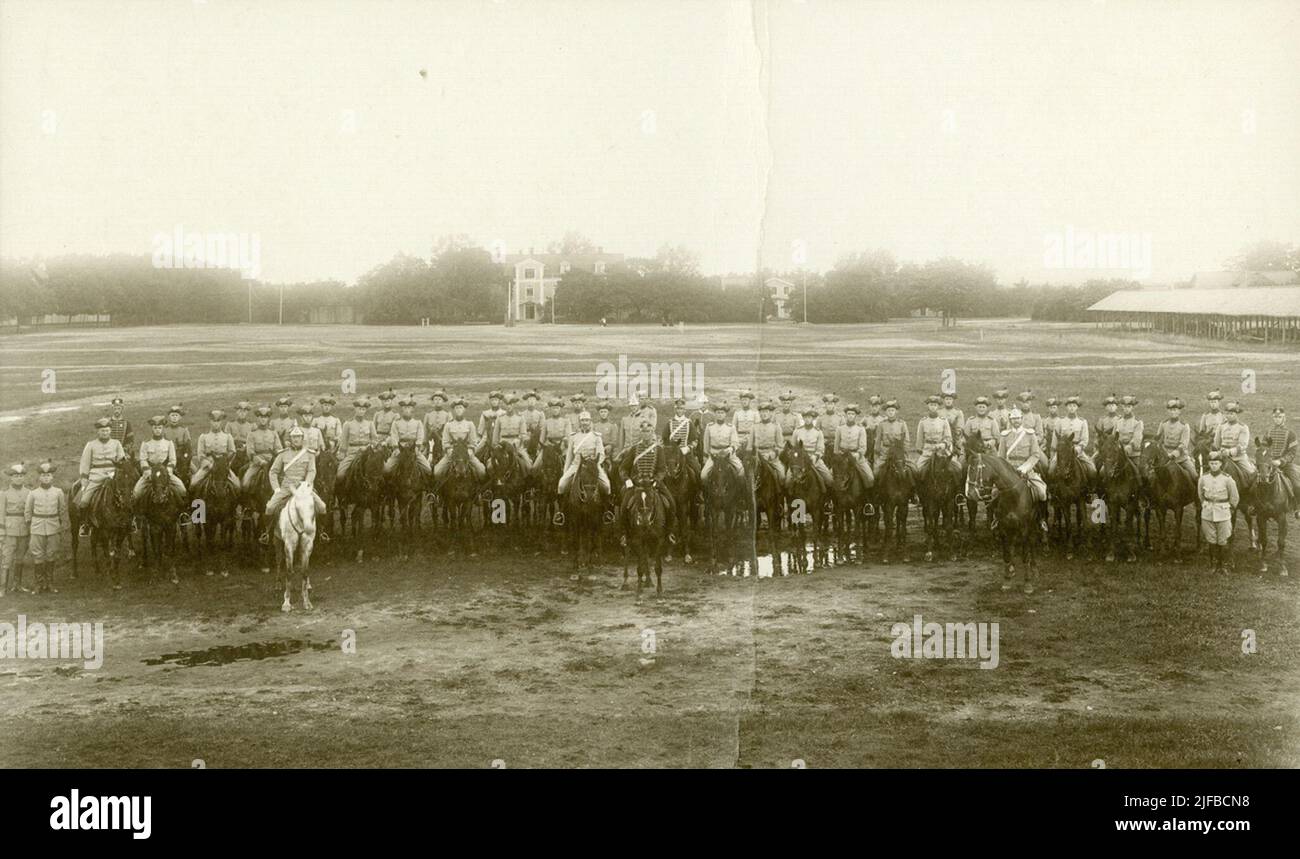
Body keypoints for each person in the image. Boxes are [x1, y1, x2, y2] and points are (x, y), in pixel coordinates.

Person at [264, 427, 327, 530]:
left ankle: (321, 532)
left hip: (304, 488)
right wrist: (276, 488)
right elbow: (273, 472)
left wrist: (306, 483)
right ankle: (266, 533)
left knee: (322, 507)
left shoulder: (310, 454)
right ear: (290, 439)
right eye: (293, 437)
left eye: (298, 437)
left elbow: (312, 471)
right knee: (270, 507)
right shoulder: (283, 454)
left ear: (302, 438)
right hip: (286, 487)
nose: (296, 439)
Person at [25, 462, 66, 594]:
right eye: (43, 475)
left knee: (51, 554)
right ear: (39, 478)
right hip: (37, 526)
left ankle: (50, 583)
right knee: (38, 555)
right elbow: (28, 511)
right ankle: (38, 584)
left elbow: (62, 510)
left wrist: (62, 526)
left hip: (53, 526)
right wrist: (30, 526)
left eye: (48, 475)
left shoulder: (58, 492)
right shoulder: (33, 493)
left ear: (52, 477)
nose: (46, 478)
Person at [1198, 451, 1239, 574]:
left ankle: (1223, 565)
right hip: (1208, 512)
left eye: (1216, 463)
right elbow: (1200, 494)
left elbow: (1235, 497)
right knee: (1211, 539)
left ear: (1220, 464)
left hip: (1223, 513)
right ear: (1208, 464)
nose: (1214, 465)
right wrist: (1206, 505)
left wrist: (1229, 509)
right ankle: (1213, 564)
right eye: (1211, 463)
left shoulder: (1228, 479)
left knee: (1223, 539)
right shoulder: (1203, 478)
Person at [999, 408, 1048, 508]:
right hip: (1009, 470)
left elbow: (1035, 455)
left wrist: (1025, 468)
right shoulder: (1004, 436)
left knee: (1041, 492)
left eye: (1018, 418)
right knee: (995, 493)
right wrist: (1006, 470)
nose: (1016, 421)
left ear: (1021, 419)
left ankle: (1041, 519)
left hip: (1027, 470)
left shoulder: (1030, 434)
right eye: (1013, 419)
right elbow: (1001, 457)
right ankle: (996, 519)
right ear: (1010, 420)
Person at [75, 417, 127, 511]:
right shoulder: (91, 445)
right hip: (96, 477)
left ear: (110, 431)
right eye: (102, 431)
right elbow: (85, 463)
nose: (105, 433)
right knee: (84, 500)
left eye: (107, 430)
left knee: (127, 497)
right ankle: (84, 524)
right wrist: (84, 478)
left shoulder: (116, 443)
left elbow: (122, 462)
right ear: (98, 432)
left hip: (113, 476)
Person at [134, 416, 188, 501]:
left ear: (163, 428)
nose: (157, 430)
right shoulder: (146, 443)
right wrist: (147, 471)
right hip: (150, 472)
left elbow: (172, 459)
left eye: (160, 428)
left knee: (182, 489)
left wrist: (169, 470)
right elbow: (143, 459)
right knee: (136, 492)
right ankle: (136, 513)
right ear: (152, 429)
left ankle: (183, 512)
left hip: (165, 472)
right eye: (155, 428)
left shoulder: (168, 442)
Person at [558, 412, 610, 498]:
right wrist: (565, 471)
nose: (584, 423)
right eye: (582, 420)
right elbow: (569, 456)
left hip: (593, 466)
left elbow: (601, 454)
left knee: (607, 486)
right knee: (561, 485)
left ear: (590, 422)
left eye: (587, 420)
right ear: (579, 422)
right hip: (576, 465)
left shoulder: (596, 436)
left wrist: (594, 462)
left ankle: (607, 510)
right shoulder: (573, 436)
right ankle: (561, 510)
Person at [435, 398, 486, 481]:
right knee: (437, 472)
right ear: (454, 410)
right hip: (452, 454)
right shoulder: (448, 425)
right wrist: (449, 451)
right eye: (456, 408)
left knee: (482, 471)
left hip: (467, 454)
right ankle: (438, 493)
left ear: (464, 409)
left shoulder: (470, 424)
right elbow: (445, 442)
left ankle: (480, 492)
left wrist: (470, 451)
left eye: (460, 408)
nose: (458, 410)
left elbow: (473, 442)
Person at [1261, 406, 1300, 514]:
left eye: (1280, 417)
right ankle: (1255, 504)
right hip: (1269, 463)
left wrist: (1281, 461)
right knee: (1256, 479)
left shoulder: (1291, 434)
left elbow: (1292, 452)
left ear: (1284, 418)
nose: (1277, 419)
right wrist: (1267, 459)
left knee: (1297, 484)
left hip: (1285, 464)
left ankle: (1297, 507)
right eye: (1275, 417)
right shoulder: (1268, 433)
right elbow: (1263, 449)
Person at [190, 409, 240, 491]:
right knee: (193, 483)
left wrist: (226, 464)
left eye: (218, 421)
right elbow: (200, 454)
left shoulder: (227, 436)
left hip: (223, 466)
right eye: (214, 421)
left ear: (221, 422)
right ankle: (195, 503)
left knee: (237, 485)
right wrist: (209, 465)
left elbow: (232, 452)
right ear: (210, 421)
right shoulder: (203, 436)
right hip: (208, 465)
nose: (216, 424)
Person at [1, 464, 31, 596]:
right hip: (9, 529)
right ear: (10, 478)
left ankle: (17, 585)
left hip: (24, 530)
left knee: (20, 558)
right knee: (7, 558)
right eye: (15, 476)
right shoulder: (4, 494)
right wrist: (1, 531)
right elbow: (1, 514)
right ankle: (2, 587)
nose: (18, 479)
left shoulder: (29, 493)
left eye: (20, 476)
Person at [385, 397, 431, 475]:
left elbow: (420, 436)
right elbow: (394, 436)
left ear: (412, 409)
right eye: (405, 408)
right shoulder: (396, 423)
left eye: (409, 407)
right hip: (400, 450)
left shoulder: (418, 423)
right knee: (387, 469)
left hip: (414, 450)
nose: (407, 410)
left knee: (428, 469)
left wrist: (417, 446)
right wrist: (396, 448)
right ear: (402, 409)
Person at [789, 407, 832, 488]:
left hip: (814, 459)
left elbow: (820, 449)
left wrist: (815, 456)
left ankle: (827, 498)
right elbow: (793, 447)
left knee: (829, 479)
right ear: (803, 418)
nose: (807, 419)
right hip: (799, 459)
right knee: (787, 481)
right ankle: (789, 499)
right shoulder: (797, 431)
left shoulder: (818, 432)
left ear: (813, 418)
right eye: (805, 417)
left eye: (809, 417)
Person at [1155, 398, 1197, 482]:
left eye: (1174, 410)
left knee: (1194, 475)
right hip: (1164, 457)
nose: (1172, 412)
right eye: (1170, 410)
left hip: (1180, 458)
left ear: (1179, 411)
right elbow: (1158, 440)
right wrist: (1163, 453)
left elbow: (1183, 444)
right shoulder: (1163, 424)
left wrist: (1173, 454)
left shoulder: (1184, 426)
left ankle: (1196, 494)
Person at [337, 398, 379, 481]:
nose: (361, 411)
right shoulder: (348, 424)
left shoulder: (370, 424)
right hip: (352, 453)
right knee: (340, 475)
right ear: (355, 409)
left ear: (366, 410)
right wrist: (342, 454)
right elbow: (344, 441)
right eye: (359, 409)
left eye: (363, 409)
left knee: (380, 472)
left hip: (367, 453)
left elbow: (375, 440)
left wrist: (370, 446)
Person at [699, 404, 742, 482]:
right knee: (703, 476)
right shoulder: (709, 426)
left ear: (725, 414)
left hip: (728, 455)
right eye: (718, 413)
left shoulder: (731, 427)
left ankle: (740, 493)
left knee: (741, 472)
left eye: (722, 413)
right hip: (714, 455)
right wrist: (706, 457)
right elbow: (706, 443)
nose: (720, 415)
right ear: (715, 414)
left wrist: (728, 450)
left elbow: (735, 443)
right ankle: (706, 493)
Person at [833, 404, 873, 486]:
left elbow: (863, 447)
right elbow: (836, 446)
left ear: (856, 416)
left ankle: (867, 498)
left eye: (852, 414)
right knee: (831, 477)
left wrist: (858, 454)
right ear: (846, 415)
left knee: (870, 478)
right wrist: (838, 455)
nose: (850, 416)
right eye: (849, 414)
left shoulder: (861, 429)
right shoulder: (840, 428)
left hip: (856, 457)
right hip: (842, 457)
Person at [915, 395, 955, 475]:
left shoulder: (943, 421)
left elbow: (948, 438)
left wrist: (943, 444)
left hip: (941, 451)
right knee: (917, 470)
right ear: (928, 406)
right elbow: (919, 438)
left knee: (956, 468)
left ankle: (957, 487)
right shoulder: (923, 421)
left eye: (935, 405)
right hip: (927, 451)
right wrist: (920, 449)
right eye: (931, 405)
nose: (933, 407)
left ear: (938, 406)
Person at [493, 393, 534, 471]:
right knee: (490, 466)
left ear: (514, 405)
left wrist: (518, 440)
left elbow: (523, 434)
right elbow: (495, 436)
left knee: (528, 466)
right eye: (507, 404)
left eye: (511, 404)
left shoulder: (520, 417)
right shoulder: (500, 418)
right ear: (504, 405)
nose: (509, 406)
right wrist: (496, 446)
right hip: (502, 446)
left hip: (516, 446)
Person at [1213, 401, 1255, 477]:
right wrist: (1220, 451)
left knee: (1251, 473)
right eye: (1227, 413)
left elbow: (1242, 445)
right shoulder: (1221, 426)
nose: (1229, 416)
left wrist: (1229, 452)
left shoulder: (1243, 427)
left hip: (1238, 457)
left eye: (1231, 414)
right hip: (1222, 456)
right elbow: (1216, 443)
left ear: (1236, 414)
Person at [752, 400, 787, 484]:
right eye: (762, 412)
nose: (764, 414)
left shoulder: (776, 426)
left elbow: (780, 446)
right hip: (757, 457)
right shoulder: (754, 426)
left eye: (766, 412)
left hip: (771, 458)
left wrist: (773, 454)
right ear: (759, 413)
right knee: (744, 474)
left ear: (770, 413)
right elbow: (750, 445)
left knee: (782, 475)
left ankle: (780, 495)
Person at [873, 399, 911, 469]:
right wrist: (877, 454)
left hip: (899, 454)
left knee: (913, 470)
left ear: (896, 411)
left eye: (892, 410)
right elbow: (878, 441)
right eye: (889, 410)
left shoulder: (902, 423)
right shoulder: (882, 424)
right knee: (876, 471)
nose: (891, 412)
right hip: (885, 453)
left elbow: (906, 440)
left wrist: (905, 453)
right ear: (886, 412)